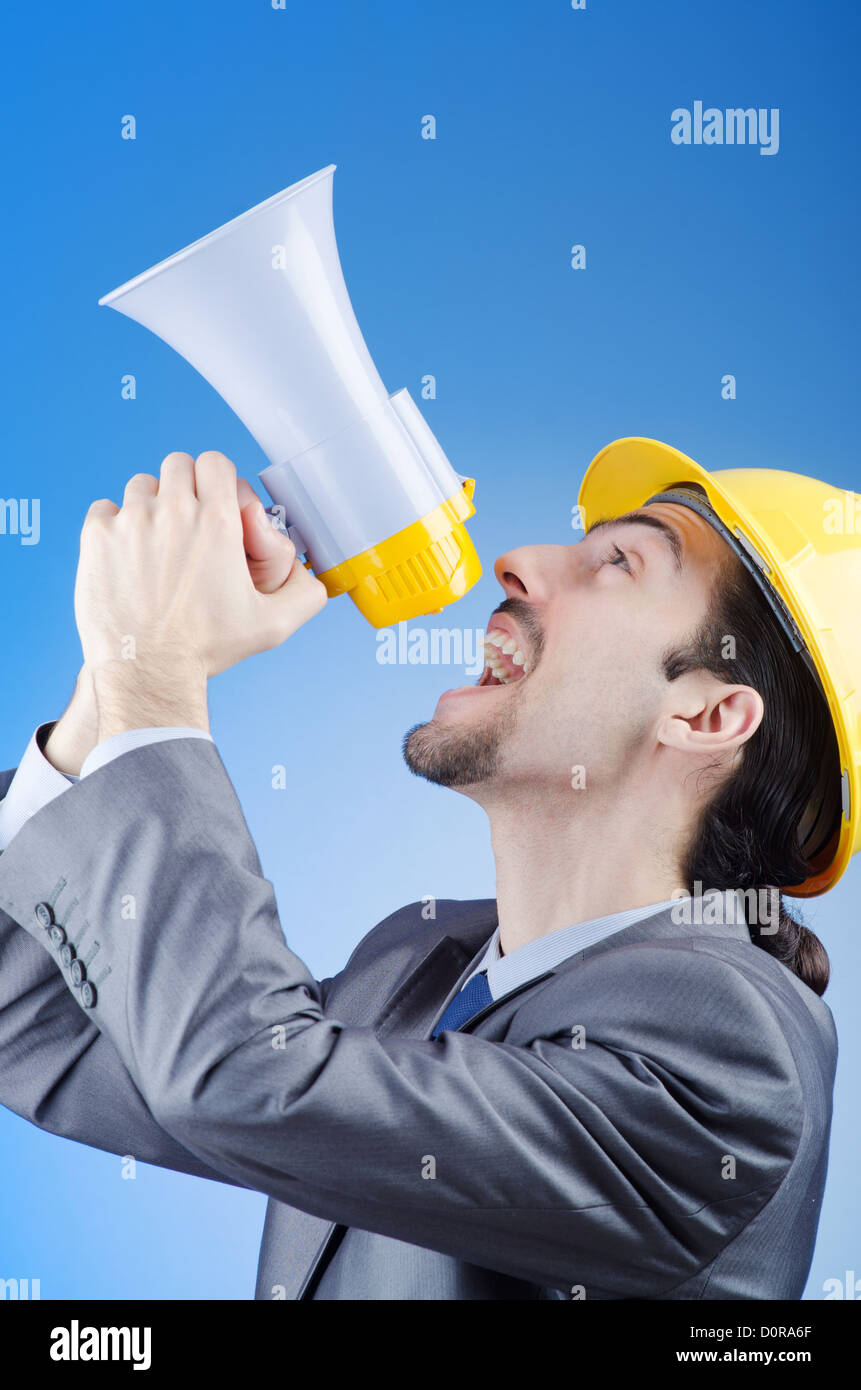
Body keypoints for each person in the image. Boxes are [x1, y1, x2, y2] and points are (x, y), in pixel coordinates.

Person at [0, 444, 845, 1299]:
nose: (515, 562)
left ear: (705, 715)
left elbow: (240, 1079)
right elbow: (35, 1026)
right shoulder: (418, 960)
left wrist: (156, 683)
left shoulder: (733, 1051)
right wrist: (109, 690)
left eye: (617, 561)